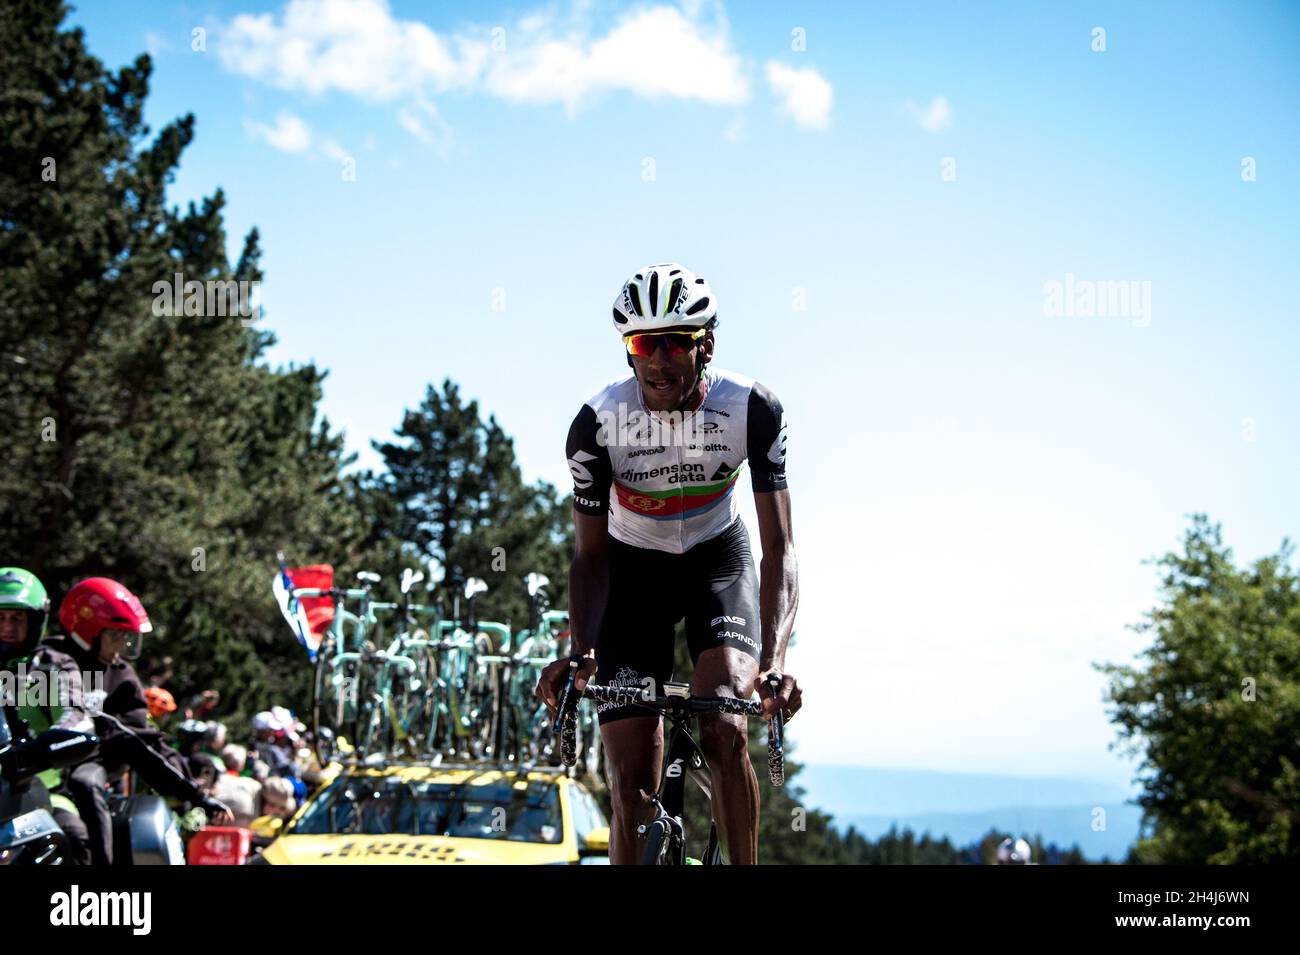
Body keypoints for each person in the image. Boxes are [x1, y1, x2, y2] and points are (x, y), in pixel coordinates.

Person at [536, 264, 802, 864]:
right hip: (632, 572)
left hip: (717, 563)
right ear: (629, 351)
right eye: (643, 343)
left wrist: (775, 664)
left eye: (674, 341)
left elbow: (779, 547)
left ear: (704, 344)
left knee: (727, 723)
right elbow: (590, 557)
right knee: (631, 779)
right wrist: (582, 652)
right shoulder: (597, 424)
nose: (658, 359)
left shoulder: (753, 408)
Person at [36, 577, 231, 863]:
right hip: (33, 765)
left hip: (86, 762)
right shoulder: (43, 658)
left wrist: (193, 791)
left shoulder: (121, 676)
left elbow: (141, 738)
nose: (123, 644)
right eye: (115, 635)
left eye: (126, 636)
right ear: (87, 629)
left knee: (86, 783)